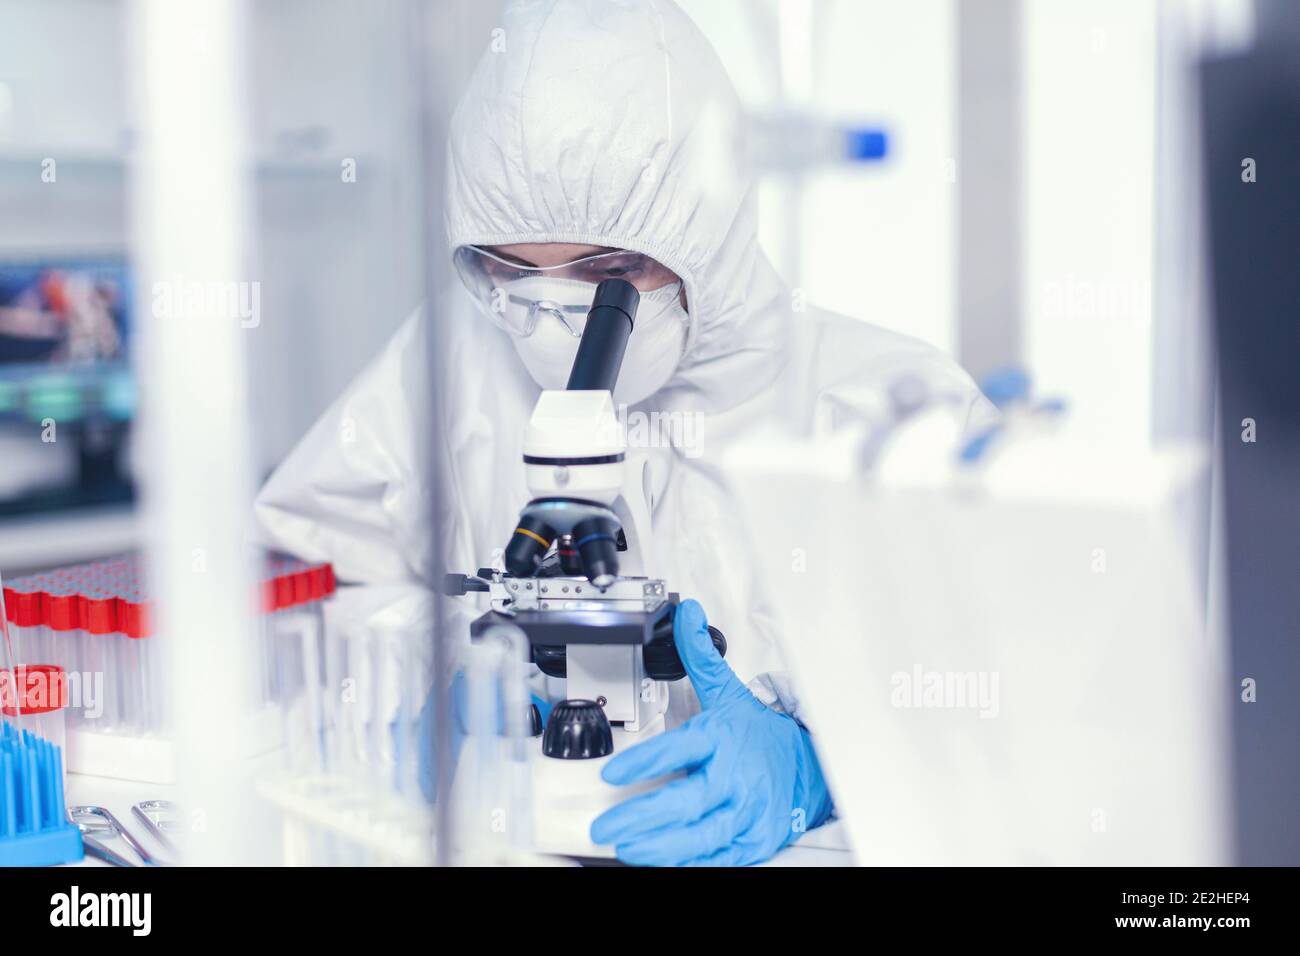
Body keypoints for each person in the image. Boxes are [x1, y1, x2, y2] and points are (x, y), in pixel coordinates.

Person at [254, 0, 996, 866]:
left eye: (604, 273)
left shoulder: (881, 407)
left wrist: (818, 770)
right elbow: (306, 577)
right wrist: (433, 671)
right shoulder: (453, 358)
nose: (548, 321)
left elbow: (1008, 715)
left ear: (703, 233)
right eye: (512, 273)